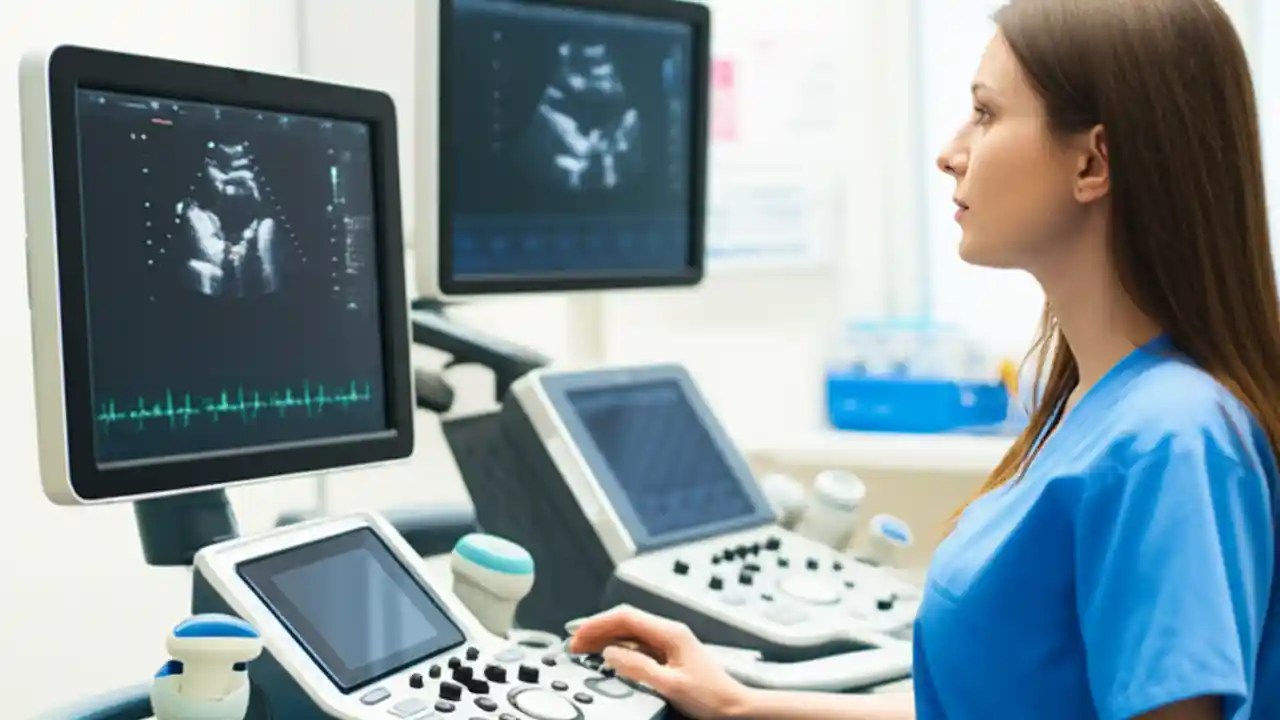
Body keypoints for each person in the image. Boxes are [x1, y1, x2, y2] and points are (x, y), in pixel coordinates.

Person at [569, 0, 1280, 717]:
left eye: (986, 113)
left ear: (1093, 161)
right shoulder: (1093, 407)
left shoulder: (1170, 439)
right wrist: (740, 704)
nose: (950, 151)